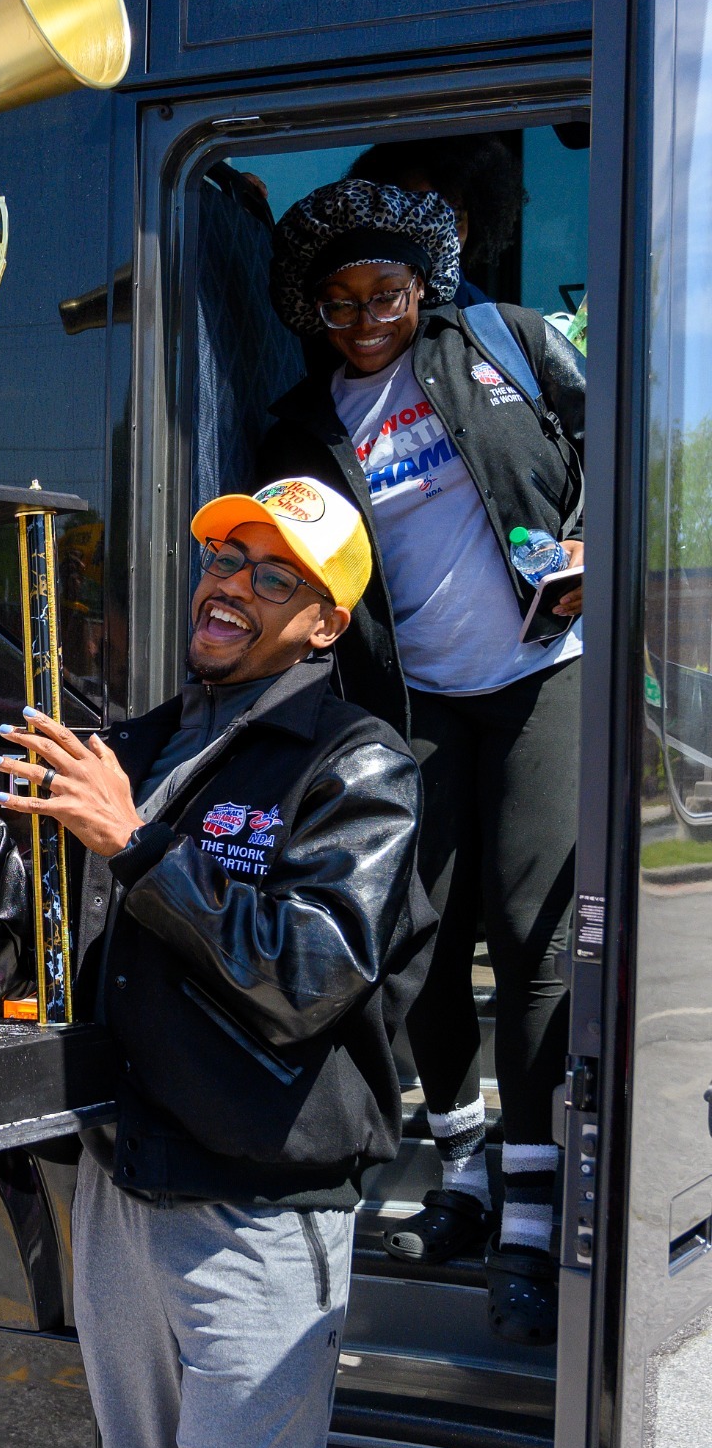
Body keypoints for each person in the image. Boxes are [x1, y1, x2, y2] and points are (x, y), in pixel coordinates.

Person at [0, 481, 432, 1448]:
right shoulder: (134, 743)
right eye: (221, 558)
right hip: (114, 1193)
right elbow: (43, 957)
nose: (229, 583)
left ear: (325, 622)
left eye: (271, 574)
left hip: (255, 1212)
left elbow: (307, 972)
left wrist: (136, 842)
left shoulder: (354, 762)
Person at [253, 178, 585, 1345]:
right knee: (420, 943)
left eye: (381, 293)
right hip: (413, 702)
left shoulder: (506, 341)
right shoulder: (301, 426)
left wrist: (586, 546)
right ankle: (461, 1173)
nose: (360, 319)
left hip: (542, 675)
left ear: (420, 285)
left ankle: (532, 1226)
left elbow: (608, 446)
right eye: (335, 302)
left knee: (531, 930)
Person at [347, 135, 527, 307]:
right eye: (422, 217)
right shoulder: (352, 316)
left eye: (455, 217)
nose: (443, 234)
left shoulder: (488, 325)